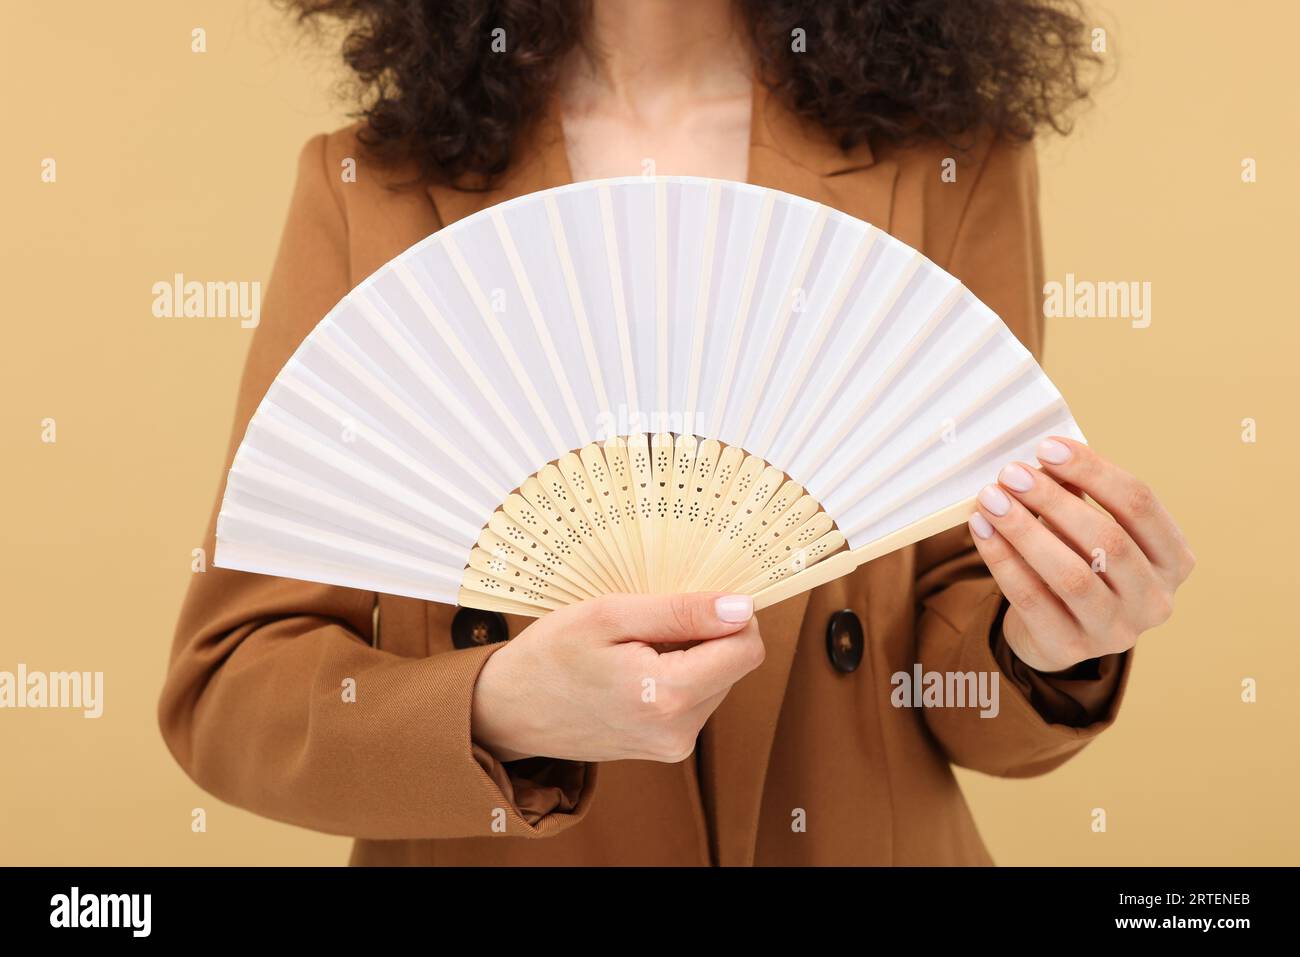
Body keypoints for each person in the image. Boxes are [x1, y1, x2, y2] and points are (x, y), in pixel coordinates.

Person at [160, 0, 1194, 865]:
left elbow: (959, 682)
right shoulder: (368, 189)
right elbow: (232, 691)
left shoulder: (952, 166)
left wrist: (1047, 638)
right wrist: (499, 706)